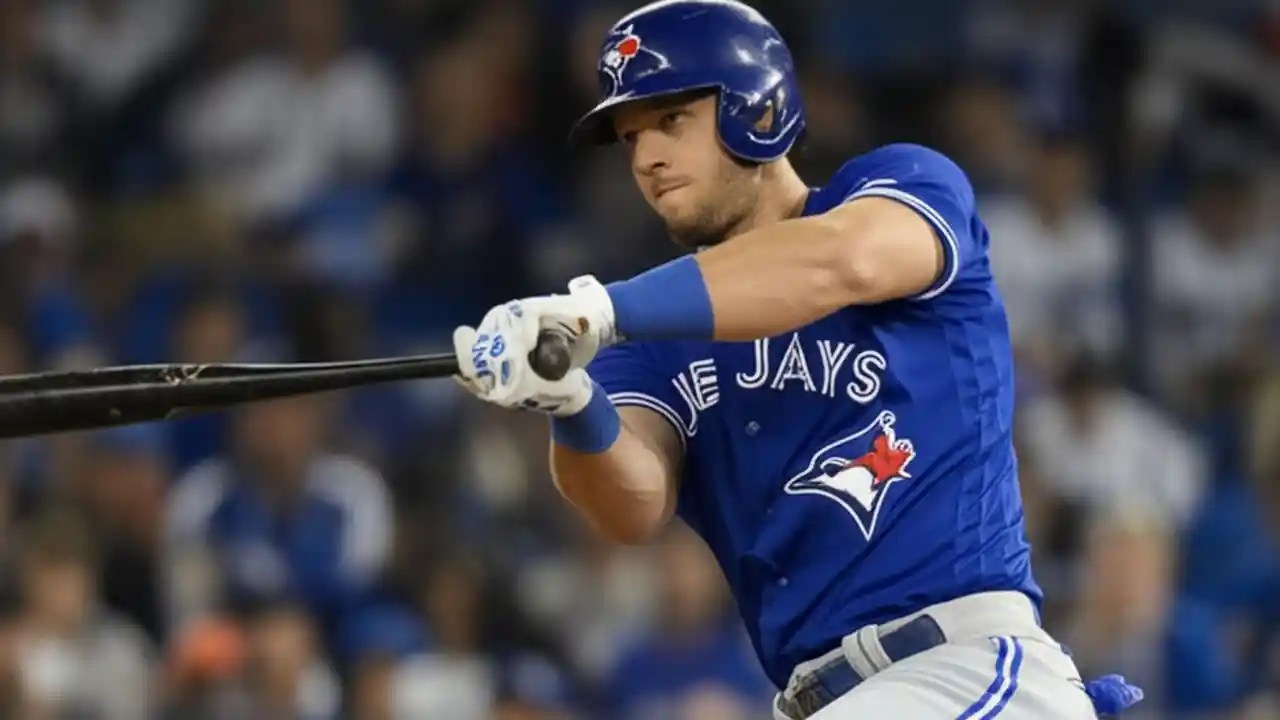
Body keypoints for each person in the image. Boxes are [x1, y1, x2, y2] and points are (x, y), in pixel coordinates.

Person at [451, 1, 1144, 717]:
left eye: (670, 121)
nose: (646, 158)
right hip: (818, 696)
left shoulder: (899, 184)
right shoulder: (651, 334)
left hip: (959, 667)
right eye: (629, 139)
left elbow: (842, 261)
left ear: (755, 108)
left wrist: (599, 310)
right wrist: (569, 401)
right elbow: (630, 506)